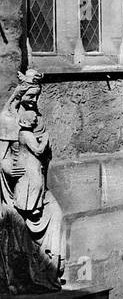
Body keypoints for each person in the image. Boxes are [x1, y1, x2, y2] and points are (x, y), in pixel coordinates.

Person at [0, 68, 65, 285]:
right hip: (17, 189)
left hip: (38, 183)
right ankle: (26, 276)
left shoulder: (36, 118)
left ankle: (49, 270)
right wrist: (6, 167)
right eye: (30, 95)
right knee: (17, 224)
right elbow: (2, 156)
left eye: (36, 96)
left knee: (57, 213)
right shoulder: (8, 119)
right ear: (20, 94)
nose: (33, 100)